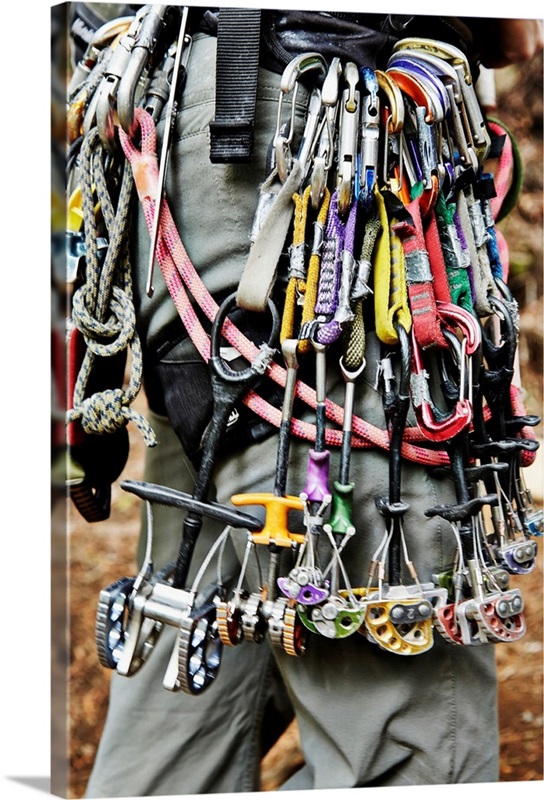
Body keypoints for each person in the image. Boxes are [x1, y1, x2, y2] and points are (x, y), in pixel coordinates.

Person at [65, 4, 543, 797]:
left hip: (178, 149)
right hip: (318, 150)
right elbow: (515, 32)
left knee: (195, 633)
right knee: (409, 746)